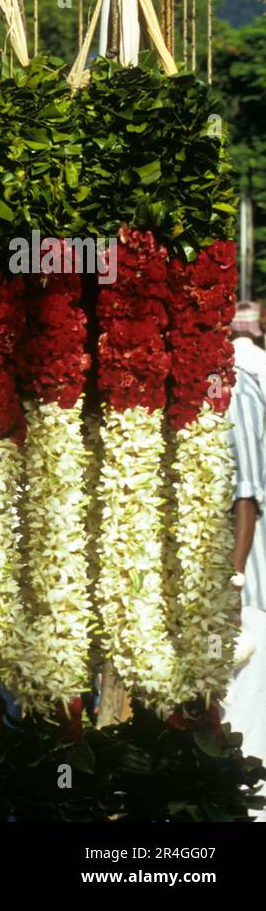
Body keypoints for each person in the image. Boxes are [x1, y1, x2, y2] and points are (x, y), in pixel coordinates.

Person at [226, 300, 266, 820]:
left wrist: (232, 580)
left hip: (241, 593)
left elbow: (247, 495)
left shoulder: (235, 384)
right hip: (186, 589)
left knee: (243, 726)